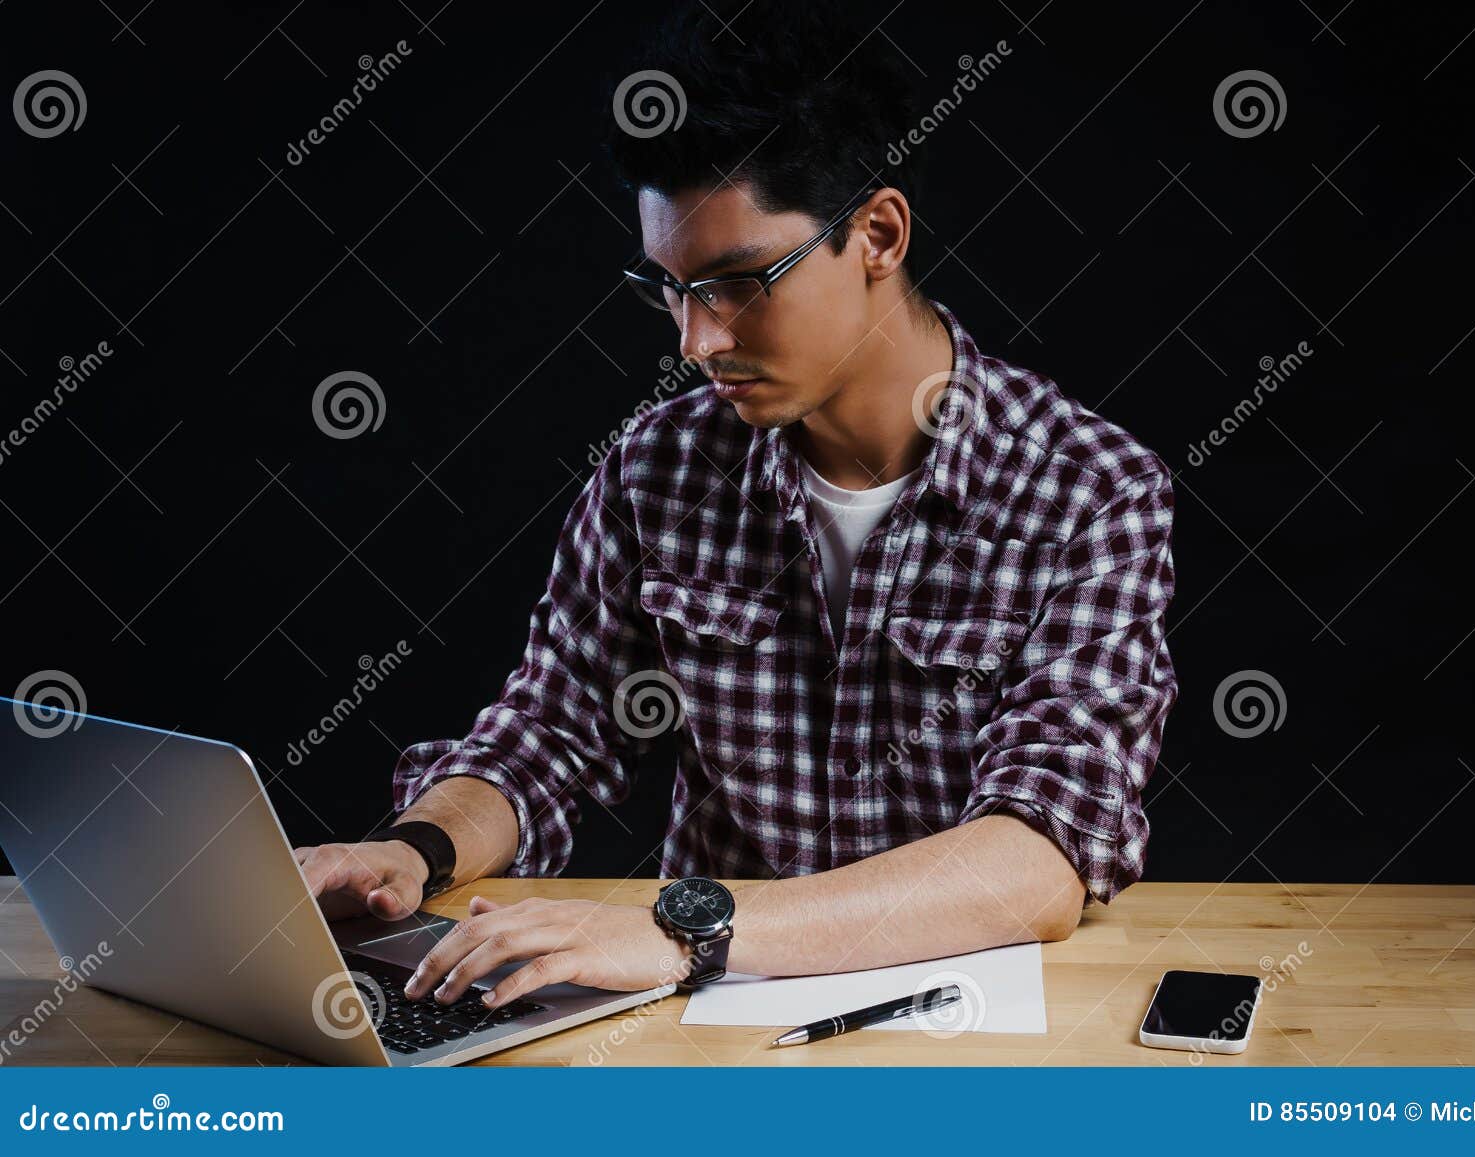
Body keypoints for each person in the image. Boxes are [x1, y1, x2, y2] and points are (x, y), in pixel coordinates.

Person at [296, 0, 1177, 1011]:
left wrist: (681, 931)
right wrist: (411, 851)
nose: (696, 341)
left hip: (965, 1032)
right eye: (668, 288)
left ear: (878, 234)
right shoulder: (654, 468)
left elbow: (1040, 853)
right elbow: (549, 729)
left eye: (737, 283)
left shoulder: (1088, 487)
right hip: (706, 1028)